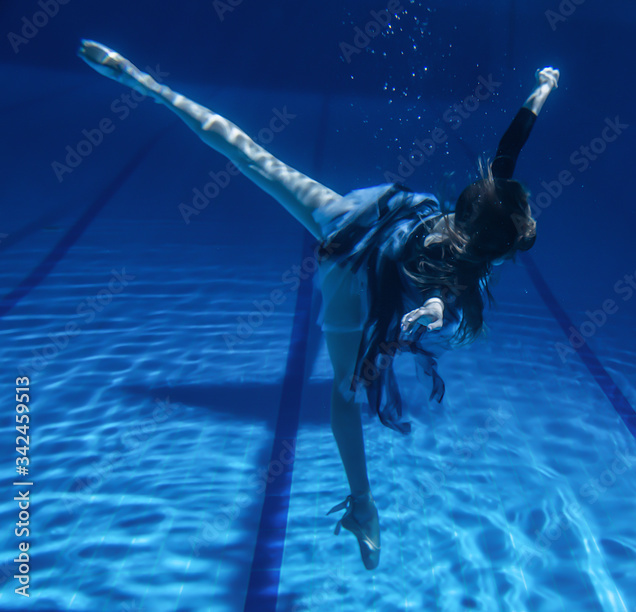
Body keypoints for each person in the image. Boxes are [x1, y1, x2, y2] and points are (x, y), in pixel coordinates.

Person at [77, 40, 559, 570]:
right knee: (342, 393)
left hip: (364, 241)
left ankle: (145, 83)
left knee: (252, 159)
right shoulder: (476, 246)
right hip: (363, 249)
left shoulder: (475, 231)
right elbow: (499, 171)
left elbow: (499, 171)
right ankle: (363, 507)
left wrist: (540, 92)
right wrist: (540, 92)